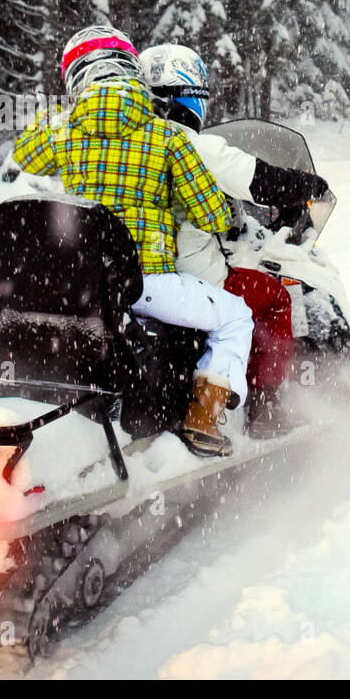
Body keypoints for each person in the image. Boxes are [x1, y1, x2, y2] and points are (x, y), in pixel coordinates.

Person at [12, 25, 254, 455]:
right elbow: (213, 214)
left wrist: (67, 118)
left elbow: (24, 154)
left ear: (76, 79)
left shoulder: (66, 131)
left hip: (84, 282)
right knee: (235, 316)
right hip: (147, 284)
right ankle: (204, 421)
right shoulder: (169, 137)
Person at [141, 43, 328, 433]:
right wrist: (307, 184)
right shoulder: (191, 145)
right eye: (200, 96)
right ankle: (265, 409)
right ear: (189, 98)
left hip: (137, 276)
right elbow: (259, 180)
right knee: (274, 296)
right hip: (190, 276)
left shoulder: (128, 143)